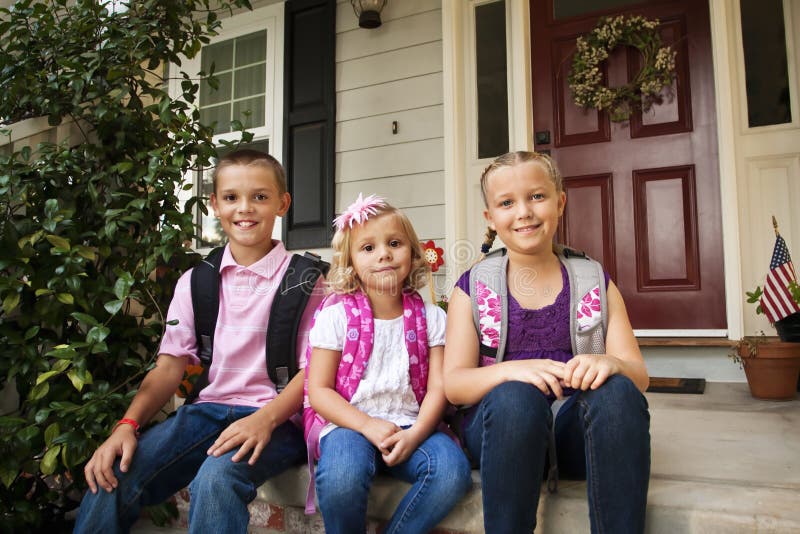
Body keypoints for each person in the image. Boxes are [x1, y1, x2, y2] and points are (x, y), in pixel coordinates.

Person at [75, 149, 323, 534]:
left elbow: (316, 371)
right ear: (214, 204)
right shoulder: (196, 281)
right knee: (111, 472)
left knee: (216, 478)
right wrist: (126, 425)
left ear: (282, 204)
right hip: (207, 412)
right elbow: (169, 367)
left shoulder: (307, 281)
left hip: (278, 418)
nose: (245, 208)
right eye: (231, 197)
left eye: (260, 196)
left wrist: (266, 418)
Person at [443, 151, 650, 534]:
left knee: (618, 392)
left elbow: (639, 376)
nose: (523, 212)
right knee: (516, 397)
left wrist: (613, 364)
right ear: (491, 217)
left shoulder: (593, 281)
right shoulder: (473, 288)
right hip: (502, 435)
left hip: (574, 434)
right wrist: (511, 372)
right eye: (507, 203)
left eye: (537, 196)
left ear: (560, 202)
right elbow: (454, 386)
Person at [307, 195, 471, 534]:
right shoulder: (336, 317)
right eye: (368, 248)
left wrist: (416, 437)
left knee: (451, 471)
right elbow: (319, 392)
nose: (383, 253)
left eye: (394, 244)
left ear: (412, 254)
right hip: (349, 424)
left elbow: (439, 388)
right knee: (342, 478)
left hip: (412, 424)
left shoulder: (432, 318)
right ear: (350, 261)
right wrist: (367, 425)